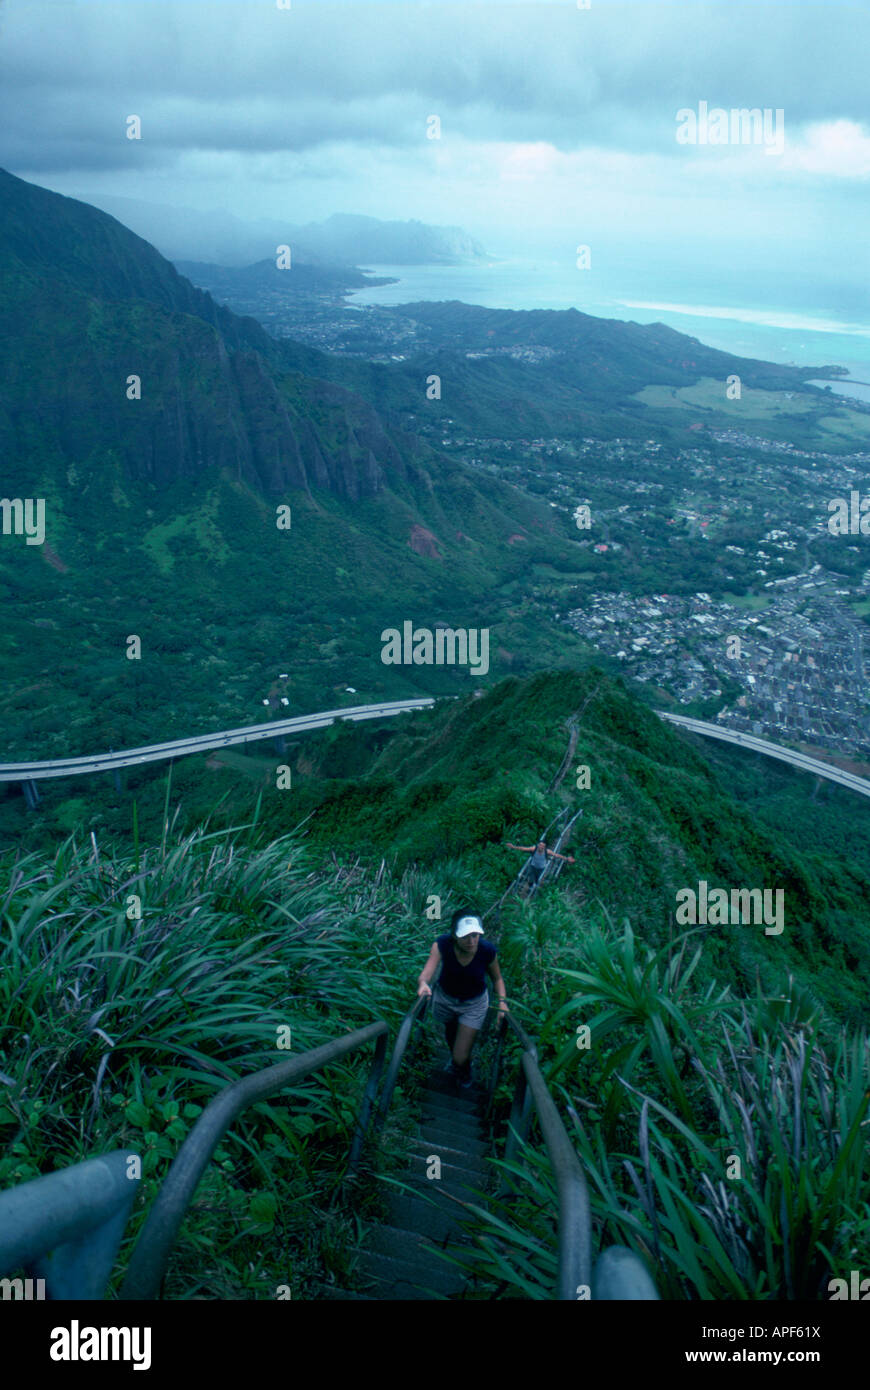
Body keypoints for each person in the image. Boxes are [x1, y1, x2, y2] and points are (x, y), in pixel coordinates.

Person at [417, 911, 508, 1089]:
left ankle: (464, 1069)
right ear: (454, 935)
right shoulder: (442, 944)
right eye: (465, 936)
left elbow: (497, 979)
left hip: (473, 1004)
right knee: (450, 1032)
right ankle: (456, 1063)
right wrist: (422, 984)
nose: (471, 941)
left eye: (475, 935)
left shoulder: (487, 951)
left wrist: (502, 1003)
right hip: (446, 998)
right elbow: (428, 971)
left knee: (460, 1055)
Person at [505, 838, 575, 890]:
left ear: (545, 847)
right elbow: (524, 848)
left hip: (541, 868)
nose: (541, 847)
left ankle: (535, 887)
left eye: (542, 846)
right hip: (533, 866)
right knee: (531, 879)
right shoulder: (533, 849)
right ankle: (531, 888)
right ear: (538, 845)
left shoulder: (547, 851)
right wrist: (513, 847)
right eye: (540, 845)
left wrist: (566, 858)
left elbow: (556, 855)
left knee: (538, 879)